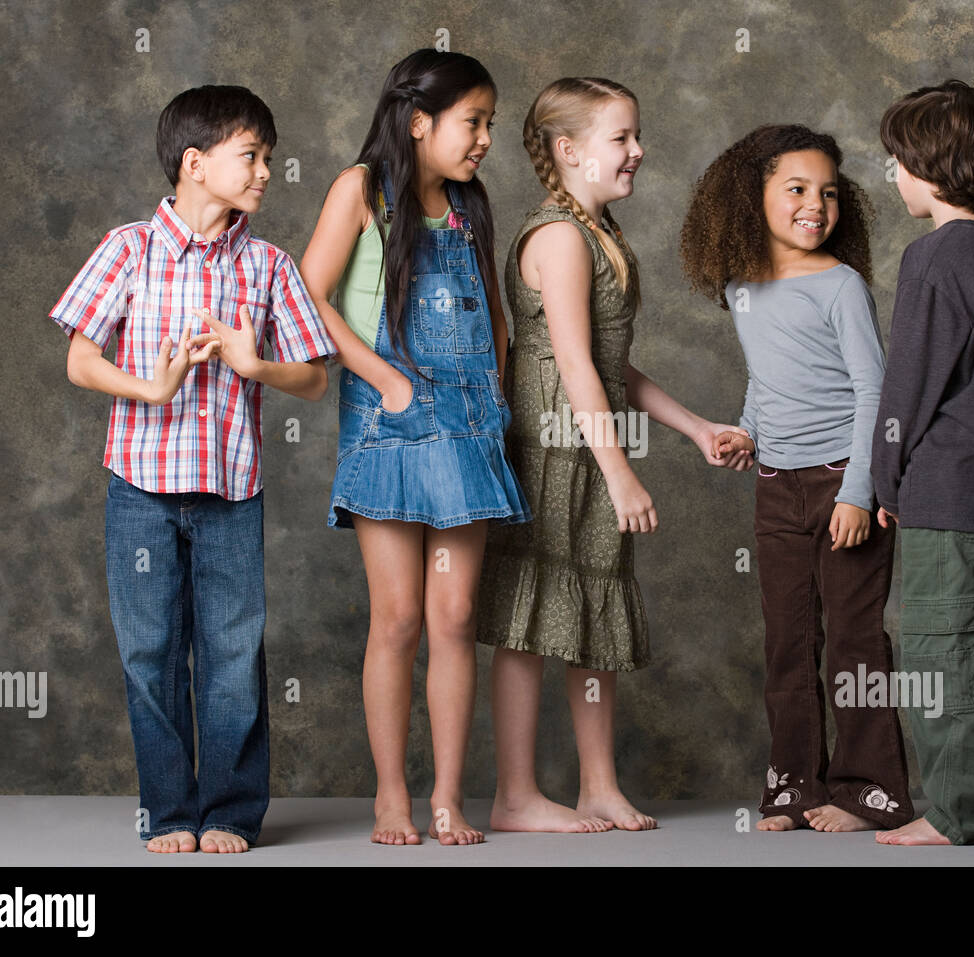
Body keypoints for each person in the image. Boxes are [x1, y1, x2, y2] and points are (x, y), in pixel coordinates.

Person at [49, 85, 335, 853]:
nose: (267, 171)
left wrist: (256, 365)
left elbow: (314, 376)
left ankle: (233, 811)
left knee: (234, 655)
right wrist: (151, 386)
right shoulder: (128, 249)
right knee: (150, 654)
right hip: (139, 487)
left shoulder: (268, 265)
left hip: (233, 494)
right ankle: (169, 810)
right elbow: (80, 359)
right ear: (195, 162)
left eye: (269, 158)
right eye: (253, 156)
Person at [475, 77, 751, 833]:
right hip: (555, 450)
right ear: (569, 152)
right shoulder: (559, 237)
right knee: (532, 616)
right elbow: (571, 364)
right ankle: (515, 793)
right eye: (622, 138)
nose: (639, 150)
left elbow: (611, 361)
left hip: (590, 443)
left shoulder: (599, 233)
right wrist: (621, 471)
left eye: (637, 136)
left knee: (591, 610)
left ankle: (598, 783)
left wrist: (692, 427)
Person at [299, 49, 529, 846]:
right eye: (475, 121)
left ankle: (447, 797)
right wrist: (382, 378)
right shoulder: (361, 190)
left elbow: (494, 312)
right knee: (397, 619)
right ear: (420, 120)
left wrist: (496, 389)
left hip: (467, 424)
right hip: (389, 421)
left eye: (490, 123)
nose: (485, 139)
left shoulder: (468, 203)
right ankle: (392, 797)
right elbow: (308, 293)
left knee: (455, 614)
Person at [691, 124, 914, 833]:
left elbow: (873, 391)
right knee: (787, 640)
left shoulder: (841, 285)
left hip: (843, 479)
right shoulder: (742, 288)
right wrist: (747, 431)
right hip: (777, 487)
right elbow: (767, 380)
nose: (815, 204)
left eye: (828, 192)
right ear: (749, 198)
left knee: (855, 639)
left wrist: (858, 490)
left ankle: (871, 787)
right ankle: (793, 782)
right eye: (796, 189)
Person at [870, 79, 974, 846]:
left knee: (945, 645)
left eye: (896, 159)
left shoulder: (935, 255)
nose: (890, 173)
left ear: (931, 166)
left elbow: (911, 381)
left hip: (943, 486)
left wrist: (882, 476)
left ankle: (958, 812)